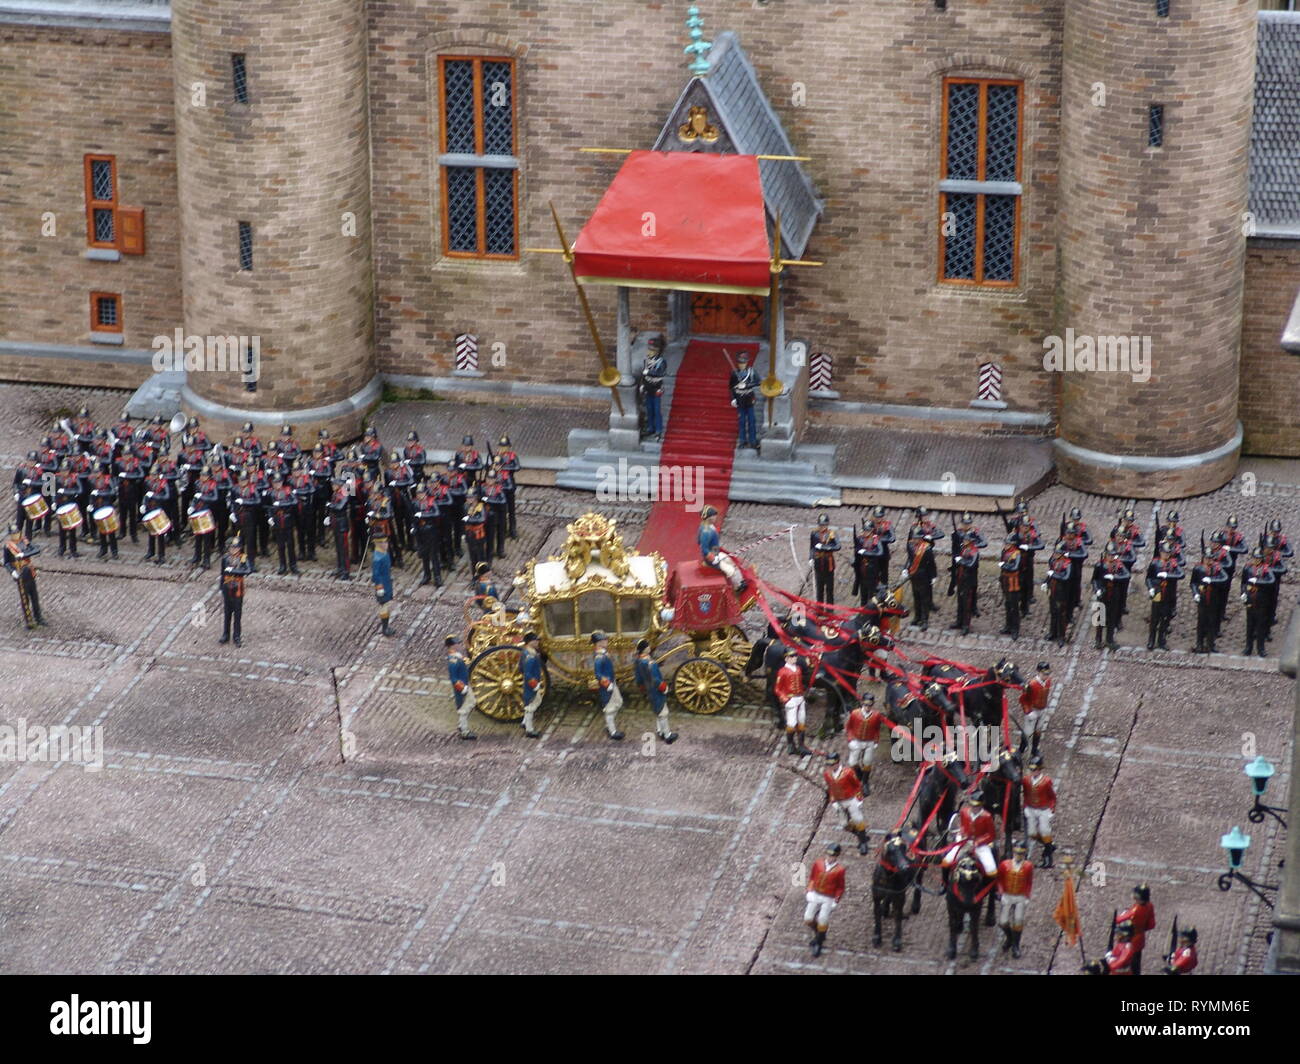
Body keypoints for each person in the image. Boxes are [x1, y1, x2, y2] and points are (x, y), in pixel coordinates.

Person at [844, 693, 891, 795]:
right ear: (862, 703)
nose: (867, 707)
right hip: (856, 740)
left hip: (869, 742)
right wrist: (850, 739)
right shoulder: (855, 713)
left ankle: (865, 782)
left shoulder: (876, 715)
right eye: (865, 705)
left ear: (872, 705)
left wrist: (876, 740)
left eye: (869, 705)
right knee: (852, 762)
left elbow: (877, 729)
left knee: (867, 762)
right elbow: (849, 728)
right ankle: (860, 774)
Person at [804, 842, 846, 958]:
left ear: (836, 856)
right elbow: (812, 878)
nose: (830, 858)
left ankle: (818, 942)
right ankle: (819, 933)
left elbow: (840, 887)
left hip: (828, 897)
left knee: (823, 919)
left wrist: (836, 900)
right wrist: (810, 890)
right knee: (808, 918)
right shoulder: (818, 864)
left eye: (832, 856)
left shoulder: (840, 870)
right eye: (828, 855)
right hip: (816, 894)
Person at [823, 752, 870, 854]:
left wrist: (859, 798)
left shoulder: (848, 772)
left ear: (838, 762)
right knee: (844, 824)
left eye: (833, 764)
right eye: (829, 765)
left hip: (851, 799)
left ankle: (863, 843)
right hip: (839, 801)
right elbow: (830, 788)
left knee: (858, 819)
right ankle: (861, 834)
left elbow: (857, 785)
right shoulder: (827, 774)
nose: (831, 767)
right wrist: (833, 800)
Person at [634, 638, 677, 744]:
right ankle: (667, 735)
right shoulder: (649, 663)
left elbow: (639, 679)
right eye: (647, 646)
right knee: (663, 712)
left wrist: (643, 689)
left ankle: (660, 730)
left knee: (657, 711)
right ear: (644, 649)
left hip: (649, 690)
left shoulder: (638, 661)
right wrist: (664, 687)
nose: (649, 647)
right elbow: (656, 679)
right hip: (656, 690)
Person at [942, 793, 997, 877]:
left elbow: (991, 835)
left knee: (991, 869)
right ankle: (944, 884)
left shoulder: (987, 816)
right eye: (972, 805)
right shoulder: (964, 812)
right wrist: (961, 834)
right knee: (946, 861)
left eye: (977, 806)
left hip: (980, 845)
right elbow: (963, 826)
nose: (974, 808)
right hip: (965, 842)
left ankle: (990, 888)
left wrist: (978, 842)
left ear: (981, 806)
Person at [697, 505, 748, 593]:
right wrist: (713, 558)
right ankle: (738, 587)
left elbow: (698, 541)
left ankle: (740, 580)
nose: (715, 518)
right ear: (709, 518)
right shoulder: (706, 532)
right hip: (712, 559)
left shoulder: (708, 527)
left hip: (716, 553)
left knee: (730, 561)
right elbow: (704, 549)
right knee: (730, 570)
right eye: (714, 516)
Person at [996, 840, 1034, 958]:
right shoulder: (1004, 865)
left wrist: (1027, 896)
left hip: (1020, 896)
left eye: (1021, 853)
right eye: (1016, 853)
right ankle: (1010, 938)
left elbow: (1029, 882)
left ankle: (1015, 945)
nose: (1018, 855)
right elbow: (1000, 880)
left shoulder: (1028, 866)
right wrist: (1001, 893)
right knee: (1003, 922)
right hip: (1007, 895)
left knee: (1018, 921)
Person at [1145, 538, 1184, 651]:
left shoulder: (1173, 564)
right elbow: (1149, 578)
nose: (1165, 555)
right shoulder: (1154, 563)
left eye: (1167, 553)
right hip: (1157, 592)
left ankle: (1161, 640)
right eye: (1163, 552)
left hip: (1168, 595)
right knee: (1154, 619)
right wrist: (1151, 588)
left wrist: (1167, 575)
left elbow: (1181, 575)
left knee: (1165, 619)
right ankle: (1151, 640)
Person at [3, 523, 44, 629]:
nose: (16, 535)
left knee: (34, 596)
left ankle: (38, 617)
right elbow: (6, 562)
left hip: (29, 571)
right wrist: (12, 572)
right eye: (14, 534)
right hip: (19, 573)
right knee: (24, 598)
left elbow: (36, 550)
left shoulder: (24, 541)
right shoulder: (8, 546)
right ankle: (28, 620)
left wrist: (24, 555)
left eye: (17, 533)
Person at [1091, 542, 1130, 650]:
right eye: (1109, 555)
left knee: (1112, 618)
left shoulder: (1119, 565)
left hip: (1114, 594)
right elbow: (1094, 579)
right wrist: (1097, 589)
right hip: (1102, 593)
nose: (1111, 557)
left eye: (1112, 555)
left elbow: (1127, 575)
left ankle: (1109, 639)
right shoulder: (1099, 565)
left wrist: (1115, 577)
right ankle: (1098, 639)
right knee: (1099, 617)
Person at [774, 647, 811, 756]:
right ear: (786, 658)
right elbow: (777, 689)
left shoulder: (798, 669)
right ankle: (790, 745)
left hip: (800, 698)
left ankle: (801, 745)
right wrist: (785, 699)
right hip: (791, 700)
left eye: (795, 656)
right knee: (791, 723)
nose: (794, 658)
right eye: (791, 656)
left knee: (801, 722)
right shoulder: (782, 672)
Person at [1022, 754, 1057, 868]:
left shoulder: (1046, 781)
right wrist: (1025, 806)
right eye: (1031, 769)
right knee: (1032, 833)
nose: (1033, 771)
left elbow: (1052, 796)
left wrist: (1051, 808)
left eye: (1035, 769)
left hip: (1043, 809)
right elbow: (1026, 794)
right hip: (1031, 808)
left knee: (1044, 831)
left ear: (1040, 769)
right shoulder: (1026, 780)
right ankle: (1049, 845)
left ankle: (1047, 855)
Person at [1241, 545, 1275, 657]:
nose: (1256, 560)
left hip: (1261, 601)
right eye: (1255, 558)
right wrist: (1243, 594)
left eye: (1258, 558)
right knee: (1249, 626)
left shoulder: (1266, 569)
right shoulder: (1247, 568)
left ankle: (1261, 648)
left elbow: (1271, 581)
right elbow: (1243, 583)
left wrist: (1258, 581)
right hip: (1250, 600)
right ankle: (1248, 647)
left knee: (1260, 626)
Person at [218, 536, 252, 647]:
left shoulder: (243, 558)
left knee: (237, 615)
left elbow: (248, 570)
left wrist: (234, 571)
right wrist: (221, 588)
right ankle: (225, 634)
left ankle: (236, 636)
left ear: (240, 548)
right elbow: (222, 574)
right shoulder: (225, 558)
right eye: (231, 547)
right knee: (227, 613)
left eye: (235, 547)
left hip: (238, 589)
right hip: (227, 588)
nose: (233, 549)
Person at [1117, 883, 1156, 976]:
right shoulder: (1150, 905)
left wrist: (1123, 914)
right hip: (1140, 938)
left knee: (1128, 963)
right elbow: (1151, 924)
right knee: (1137, 963)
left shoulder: (1136, 911)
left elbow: (1119, 920)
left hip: (1131, 939)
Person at [592, 631, 624, 740]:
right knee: (610, 708)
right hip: (607, 686)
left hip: (611, 682)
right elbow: (598, 674)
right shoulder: (599, 658)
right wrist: (607, 684)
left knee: (618, 702)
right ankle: (612, 731)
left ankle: (609, 724)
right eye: (604, 640)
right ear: (599, 643)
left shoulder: (604, 654)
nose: (606, 641)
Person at [445, 634, 477, 741]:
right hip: (462, 687)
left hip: (465, 684)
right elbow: (454, 679)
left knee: (467, 706)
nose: (459, 645)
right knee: (466, 706)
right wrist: (464, 689)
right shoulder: (453, 661)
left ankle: (461, 725)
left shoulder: (457, 657)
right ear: (452, 646)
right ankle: (464, 731)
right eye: (457, 643)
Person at [1018, 661, 1051, 756]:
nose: (1046, 676)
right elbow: (1023, 699)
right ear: (1039, 672)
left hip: (1042, 709)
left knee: (1038, 731)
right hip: (1033, 710)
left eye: (1047, 674)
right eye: (1044, 674)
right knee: (1028, 732)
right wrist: (1028, 711)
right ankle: (1021, 749)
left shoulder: (1048, 682)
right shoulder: (1032, 684)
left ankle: (1034, 749)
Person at [728, 349, 759, 450]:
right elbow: (731, 387)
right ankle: (742, 440)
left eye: (743, 362)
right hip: (740, 399)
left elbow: (758, 382)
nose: (742, 365)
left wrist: (747, 385)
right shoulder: (734, 373)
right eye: (740, 363)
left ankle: (753, 440)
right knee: (741, 421)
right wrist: (732, 399)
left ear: (747, 362)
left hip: (749, 399)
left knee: (751, 421)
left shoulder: (752, 372)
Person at [809, 513, 840, 604]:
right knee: (819, 588)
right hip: (818, 563)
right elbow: (812, 547)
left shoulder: (832, 534)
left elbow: (838, 546)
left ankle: (830, 610)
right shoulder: (814, 533)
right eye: (821, 525)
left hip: (828, 564)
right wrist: (811, 558)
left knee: (829, 589)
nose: (822, 526)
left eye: (824, 525)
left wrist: (825, 548)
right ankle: (819, 609)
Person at [640, 336, 667, 440]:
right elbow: (644, 374)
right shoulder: (646, 360)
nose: (650, 351)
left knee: (656, 410)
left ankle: (658, 430)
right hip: (648, 387)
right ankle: (650, 427)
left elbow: (661, 373)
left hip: (656, 388)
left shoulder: (661, 361)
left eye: (652, 349)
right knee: (649, 409)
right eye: (649, 348)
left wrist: (650, 372)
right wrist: (642, 384)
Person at [495, 435, 521, 540]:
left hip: (509, 483)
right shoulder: (497, 456)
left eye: (505, 446)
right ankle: (503, 529)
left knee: (511, 509)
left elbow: (517, 467)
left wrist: (504, 467)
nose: (503, 448)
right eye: (502, 446)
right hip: (499, 484)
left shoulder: (512, 456)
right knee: (502, 509)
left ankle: (512, 529)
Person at [520, 630, 544, 739]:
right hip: (531, 685)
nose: (537, 642)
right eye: (535, 641)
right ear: (530, 642)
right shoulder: (530, 656)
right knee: (531, 706)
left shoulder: (528, 653)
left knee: (534, 702)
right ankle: (529, 729)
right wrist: (535, 684)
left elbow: (521, 668)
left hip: (531, 684)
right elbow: (528, 674)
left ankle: (525, 722)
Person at [999, 533, 1022, 639]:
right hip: (1005, 580)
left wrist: (1005, 565)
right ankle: (1008, 626)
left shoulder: (1017, 554)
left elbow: (1015, 567)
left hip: (1013, 581)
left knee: (1014, 606)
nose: (1006, 545)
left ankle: (1015, 629)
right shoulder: (1004, 552)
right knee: (1007, 604)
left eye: (1008, 543)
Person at [373, 534, 394, 637]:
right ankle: (385, 628)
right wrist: (379, 588)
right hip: (382, 585)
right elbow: (376, 575)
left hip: (387, 582)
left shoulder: (384, 554)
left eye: (386, 542)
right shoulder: (377, 558)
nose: (385, 544)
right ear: (377, 543)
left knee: (386, 605)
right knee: (383, 606)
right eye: (382, 542)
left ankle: (386, 626)